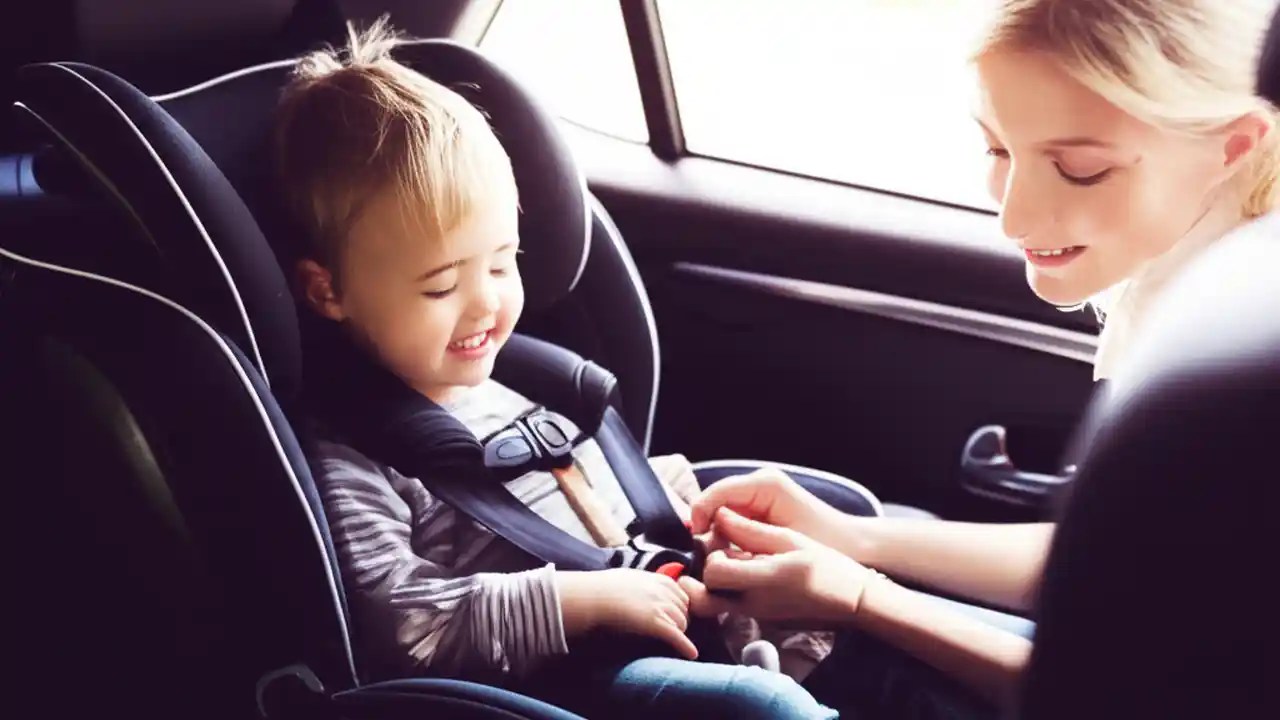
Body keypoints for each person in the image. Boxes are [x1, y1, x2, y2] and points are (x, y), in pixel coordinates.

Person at [676, 0, 1280, 717]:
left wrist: (866, 598)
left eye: (1081, 169)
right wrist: (856, 537)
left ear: (1235, 145)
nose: (1013, 217)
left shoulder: (1244, 373)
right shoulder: (1210, 276)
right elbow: (1137, 566)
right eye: (997, 149)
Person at [270, 18, 838, 720]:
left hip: (684, 617)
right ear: (328, 290)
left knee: (867, 622)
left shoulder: (526, 385)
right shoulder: (356, 452)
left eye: (503, 262)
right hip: (575, 680)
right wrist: (582, 599)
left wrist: (691, 515)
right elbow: (404, 621)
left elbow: (594, 504)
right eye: (441, 287)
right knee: (760, 705)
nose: (487, 303)